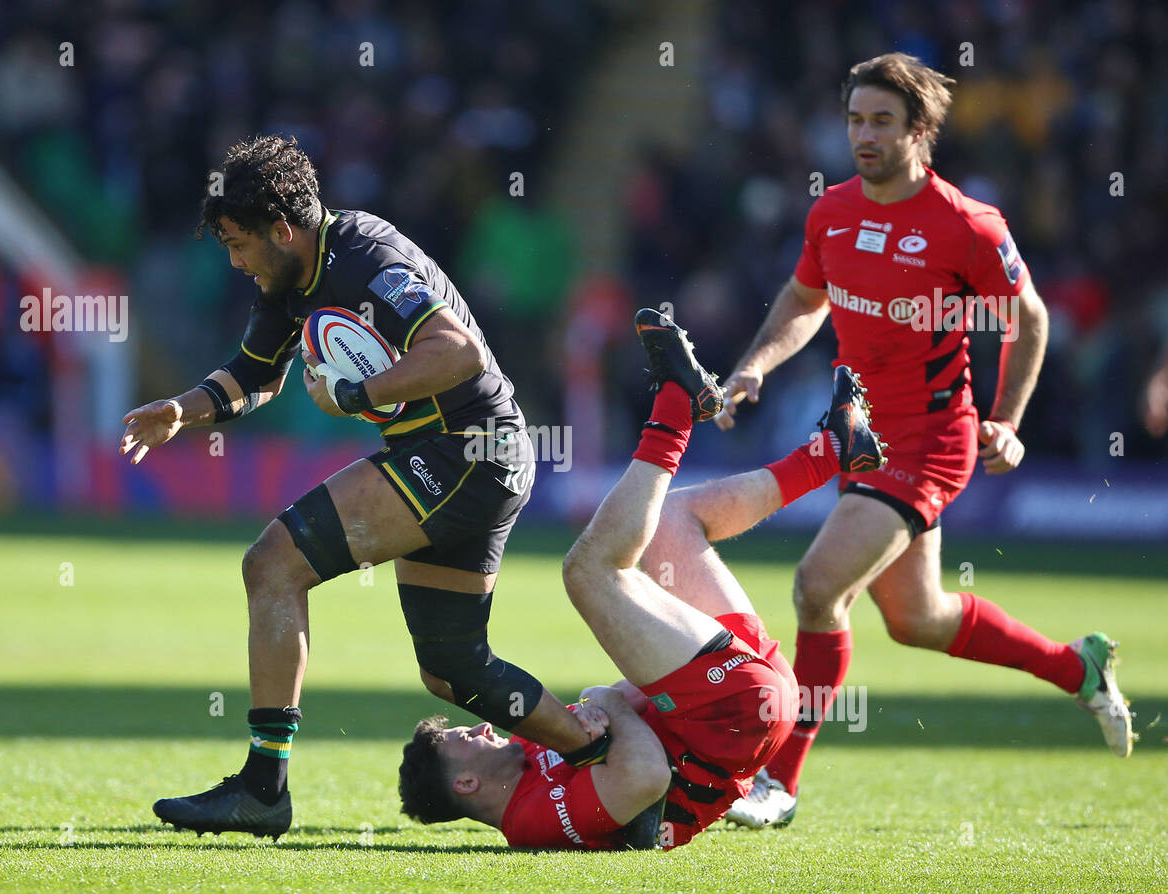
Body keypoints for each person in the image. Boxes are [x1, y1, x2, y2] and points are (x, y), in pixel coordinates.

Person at [689, 53, 1134, 830]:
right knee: (917, 618)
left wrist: (1009, 419)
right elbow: (803, 296)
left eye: (882, 121)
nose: (863, 135)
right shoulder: (830, 212)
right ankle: (1078, 665)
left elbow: (1029, 318)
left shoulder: (965, 224)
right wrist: (754, 365)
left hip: (931, 441)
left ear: (919, 130)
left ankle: (780, 784)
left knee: (817, 588)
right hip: (858, 435)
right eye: (856, 119)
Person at [121, 135, 607, 839]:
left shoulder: (366, 262)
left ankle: (264, 787)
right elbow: (255, 374)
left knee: (272, 563)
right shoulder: (290, 280)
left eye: (238, 244)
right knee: (451, 668)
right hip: (462, 458)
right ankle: (599, 754)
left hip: (468, 450)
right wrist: (180, 410)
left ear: (281, 230)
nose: (233, 261)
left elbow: (456, 351)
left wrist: (355, 393)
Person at [397, 309, 887, 849]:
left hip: (731, 692)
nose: (483, 726)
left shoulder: (530, 751)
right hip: (733, 717)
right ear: (466, 784)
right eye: (465, 738)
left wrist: (616, 700)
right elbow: (645, 776)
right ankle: (677, 400)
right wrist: (603, 699)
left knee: (668, 524)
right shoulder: (529, 822)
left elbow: (629, 711)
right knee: (587, 572)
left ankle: (832, 452)